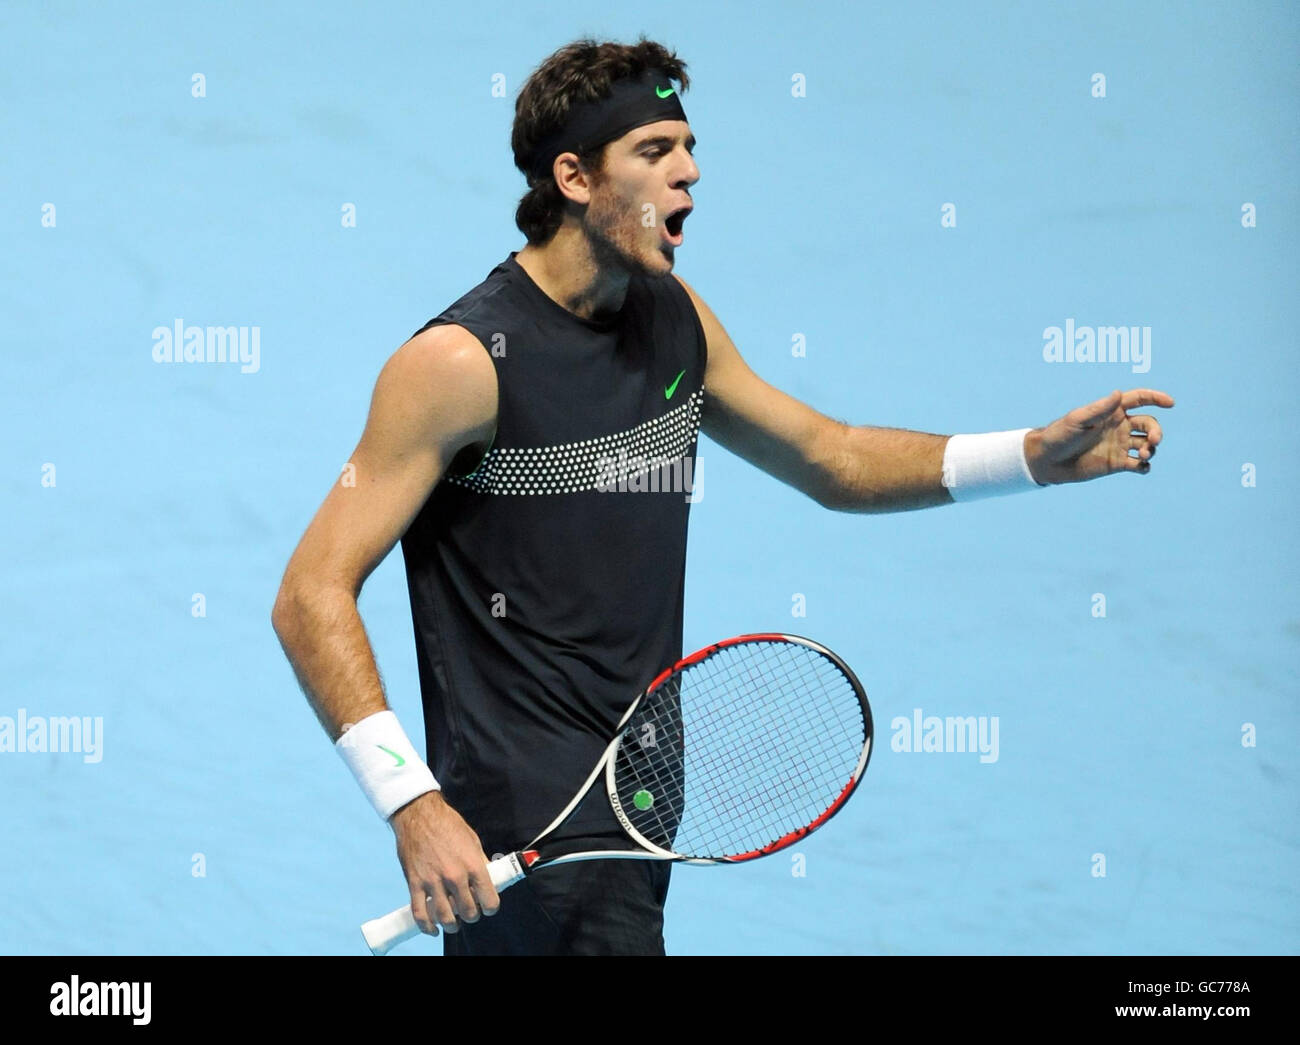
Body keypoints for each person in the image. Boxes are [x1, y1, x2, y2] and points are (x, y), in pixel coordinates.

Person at [271, 36, 1173, 956]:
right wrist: (413, 805)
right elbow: (310, 592)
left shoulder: (675, 322)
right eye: (654, 152)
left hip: (644, 792)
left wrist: (1030, 456)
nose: (690, 174)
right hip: (527, 811)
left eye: (688, 147)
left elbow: (834, 458)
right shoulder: (459, 364)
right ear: (575, 178)